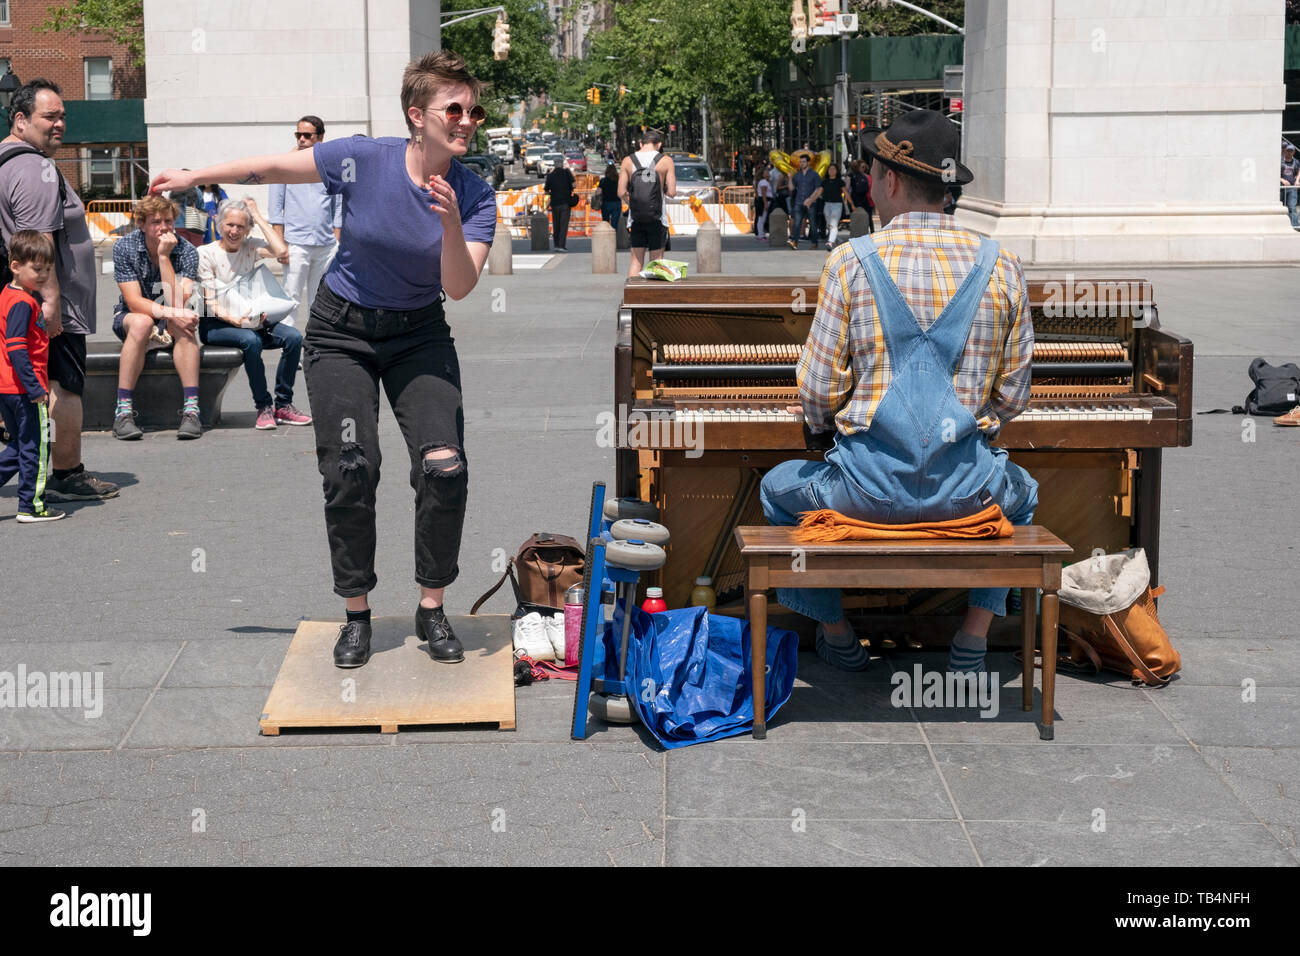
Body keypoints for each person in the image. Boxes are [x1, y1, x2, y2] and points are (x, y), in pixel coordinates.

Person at [151, 49, 496, 669]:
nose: (467, 118)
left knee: (446, 467)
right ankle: (357, 613)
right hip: (341, 333)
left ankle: (432, 604)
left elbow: (462, 285)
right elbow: (272, 167)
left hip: (419, 333)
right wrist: (192, 175)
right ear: (418, 115)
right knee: (351, 465)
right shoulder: (364, 158)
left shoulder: (474, 194)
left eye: (472, 109)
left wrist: (448, 223)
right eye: (454, 108)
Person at [761, 109, 1037, 675]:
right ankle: (973, 635)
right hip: (968, 496)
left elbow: (817, 392)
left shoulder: (851, 261)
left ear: (888, 180)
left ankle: (836, 632)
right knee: (1025, 493)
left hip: (865, 495)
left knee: (775, 488)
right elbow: (1012, 397)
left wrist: (835, 417)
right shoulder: (1001, 263)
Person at [0, 78, 118, 503]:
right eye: (49, 116)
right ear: (20, 120)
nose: (59, 124)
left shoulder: (7, 160)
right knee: (65, 386)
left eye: (62, 116)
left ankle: (37, 468)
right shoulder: (36, 168)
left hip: (25, 300)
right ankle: (66, 473)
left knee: (33, 383)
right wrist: (50, 303)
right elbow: (38, 240)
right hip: (52, 302)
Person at [197, 197, 307, 431]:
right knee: (251, 340)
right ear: (219, 224)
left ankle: (283, 404)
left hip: (253, 319)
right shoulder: (205, 253)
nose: (234, 231)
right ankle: (263, 406)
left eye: (241, 226)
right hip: (217, 324)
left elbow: (281, 250)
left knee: (294, 337)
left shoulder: (251, 247)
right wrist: (235, 320)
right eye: (230, 225)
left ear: (247, 229)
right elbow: (209, 299)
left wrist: (257, 215)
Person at [109, 195, 203, 440]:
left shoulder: (187, 251)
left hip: (170, 312)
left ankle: (192, 410)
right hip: (134, 316)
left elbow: (177, 301)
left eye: (168, 221)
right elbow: (134, 302)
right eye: (155, 222)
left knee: (184, 325)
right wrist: (174, 313)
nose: (163, 227)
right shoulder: (124, 247)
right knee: (143, 322)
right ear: (141, 224)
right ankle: (123, 412)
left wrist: (164, 257)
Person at [0, 231, 64, 522]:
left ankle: (29, 501)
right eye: (36, 269)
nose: (43, 275)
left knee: (19, 446)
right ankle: (31, 505)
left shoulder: (9, 294)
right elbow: (16, 348)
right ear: (16, 266)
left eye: (48, 269)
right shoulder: (24, 302)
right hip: (25, 388)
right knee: (36, 448)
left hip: (8, 387)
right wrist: (35, 387)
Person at [269, 115, 342, 327]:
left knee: (321, 299)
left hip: (326, 244)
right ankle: (289, 350)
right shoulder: (284, 165)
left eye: (307, 135)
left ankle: (315, 350)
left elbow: (338, 204)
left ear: (320, 138)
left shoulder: (331, 167)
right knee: (290, 297)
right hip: (295, 243)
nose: (301, 139)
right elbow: (275, 209)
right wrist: (280, 244)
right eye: (298, 134)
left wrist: (337, 240)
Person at [618, 129, 676, 277]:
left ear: (640, 143)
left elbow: (620, 192)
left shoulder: (628, 161)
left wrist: (633, 203)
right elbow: (672, 192)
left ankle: (632, 297)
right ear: (659, 144)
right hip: (657, 218)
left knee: (636, 262)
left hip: (636, 218)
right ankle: (654, 298)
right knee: (657, 261)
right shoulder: (665, 161)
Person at [787, 153, 821, 249]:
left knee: (813, 224)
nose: (801, 163)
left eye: (803, 162)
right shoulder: (797, 175)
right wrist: (789, 178)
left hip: (811, 203)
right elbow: (791, 188)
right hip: (799, 202)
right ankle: (795, 242)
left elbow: (818, 188)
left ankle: (814, 243)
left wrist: (811, 199)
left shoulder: (814, 174)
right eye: (800, 162)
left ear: (808, 163)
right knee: (797, 223)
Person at [543, 156, 575, 251]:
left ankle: (556, 245)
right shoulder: (567, 173)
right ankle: (561, 245)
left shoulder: (550, 175)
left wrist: (552, 192)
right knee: (563, 225)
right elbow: (574, 184)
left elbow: (546, 190)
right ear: (562, 164)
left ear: (554, 165)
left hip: (555, 203)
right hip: (565, 203)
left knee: (556, 225)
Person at [813, 162, 846, 249]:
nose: (831, 171)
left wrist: (852, 205)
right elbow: (819, 192)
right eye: (830, 169)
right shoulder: (824, 182)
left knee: (833, 224)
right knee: (829, 224)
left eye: (833, 169)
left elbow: (846, 193)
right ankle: (836, 239)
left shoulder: (840, 182)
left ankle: (830, 242)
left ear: (837, 171)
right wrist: (811, 200)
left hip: (837, 205)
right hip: (827, 204)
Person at [848, 159, 873, 234]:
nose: (863, 169)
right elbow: (848, 189)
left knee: (868, 218)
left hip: (867, 199)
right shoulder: (852, 177)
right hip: (857, 200)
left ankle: (871, 233)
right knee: (857, 218)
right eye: (862, 167)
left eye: (864, 167)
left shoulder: (867, 177)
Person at [1281, 142, 1299, 230]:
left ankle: (1295, 226)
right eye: (1288, 150)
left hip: (1292, 188)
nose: (1289, 152)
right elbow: (1274, 173)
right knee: (1282, 207)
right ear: (1285, 151)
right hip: (1281, 188)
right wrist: (1282, 180)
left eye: (1291, 151)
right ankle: (1282, 226)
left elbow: (1299, 171)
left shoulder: (1296, 162)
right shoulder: (1280, 161)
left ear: (1294, 152)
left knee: (1292, 206)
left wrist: (1297, 180)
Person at [598, 163, 621, 229]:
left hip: (606, 203)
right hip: (616, 203)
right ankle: (614, 237)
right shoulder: (618, 181)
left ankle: (607, 237)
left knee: (605, 223)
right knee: (615, 224)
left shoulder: (603, 180)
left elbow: (598, 192)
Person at [754, 163, 773, 241]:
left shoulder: (764, 182)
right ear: (763, 174)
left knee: (761, 218)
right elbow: (764, 193)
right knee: (762, 218)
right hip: (764, 200)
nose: (768, 174)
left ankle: (761, 234)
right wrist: (765, 203)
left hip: (763, 200)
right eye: (766, 173)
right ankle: (761, 235)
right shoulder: (763, 182)